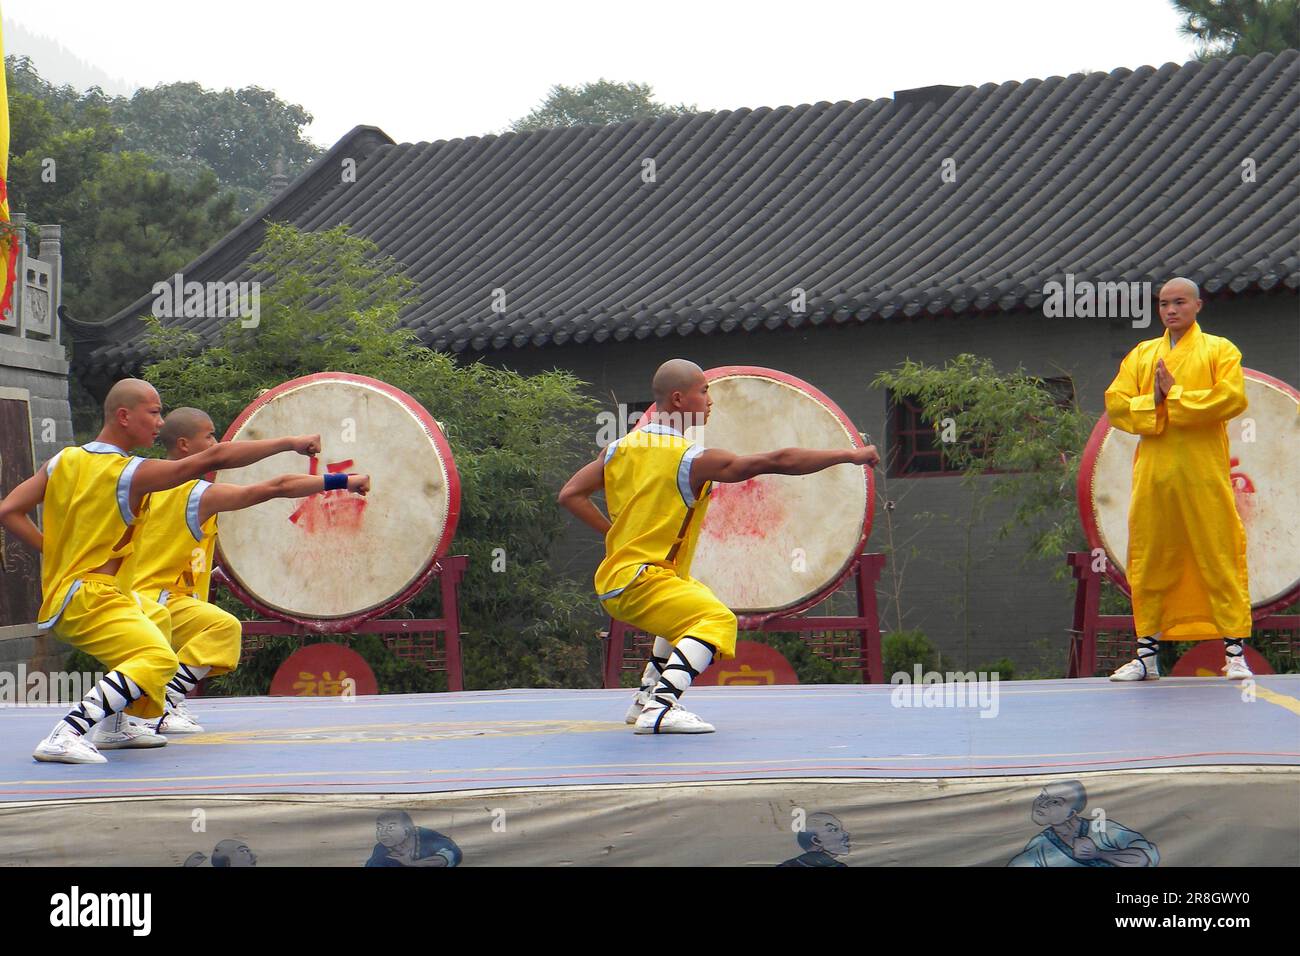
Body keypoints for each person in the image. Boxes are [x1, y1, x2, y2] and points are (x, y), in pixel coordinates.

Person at [0, 378, 320, 764]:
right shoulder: (129, 473)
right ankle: (66, 732)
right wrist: (290, 442)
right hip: (91, 596)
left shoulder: (62, 461)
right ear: (123, 415)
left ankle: (116, 726)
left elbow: (8, 511)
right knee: (159, 659)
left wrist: (55, 553)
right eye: (153, 411)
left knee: (155, 620)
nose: (159, 422)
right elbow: (213, 459)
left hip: (93, 591)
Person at [559, 359, 879, 734]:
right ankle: (661, 709)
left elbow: (570, 494)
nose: (710, 400)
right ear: (679, 399)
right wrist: (850, 456)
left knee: (691, 602)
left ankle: (645, 695)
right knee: (717, 620)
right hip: (643, 582)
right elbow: (776, 460)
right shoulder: (690, 459)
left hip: (624, 577)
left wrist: (614, 536)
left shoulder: (619, 449)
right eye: (703, 391)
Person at [118, 407, 370, 734]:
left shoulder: (143, 479)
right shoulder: (193, 493)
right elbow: (276, 486)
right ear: (184, 445)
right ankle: (161, 703)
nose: (216, 442)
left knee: (202, 635)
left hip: (133, 597)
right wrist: (341, 479)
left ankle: (156, 706)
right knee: (221, 630)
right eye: (209, 436)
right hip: (159, 600)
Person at [1103, 278, 1252, 682]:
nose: (1171, 310)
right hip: (1155, 472)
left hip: (1203, 471)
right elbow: (1116, 405)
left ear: (1198, 305)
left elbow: (1233, 398)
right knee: (1151, 555)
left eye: (1179, 302)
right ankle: (1147, 656)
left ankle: (1235, 653)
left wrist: (1179, 395)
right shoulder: (1142, 355)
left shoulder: (1219, 350)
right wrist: (1151, 399)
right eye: (1164, 304)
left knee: (1218, 551)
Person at [365, 810, 462, 867]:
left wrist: (414, 864)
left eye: (390, 828)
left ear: (406, 831)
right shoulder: (381, 849)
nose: (382, 833)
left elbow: (452, 853)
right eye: (379, 828)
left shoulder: (426, 837)